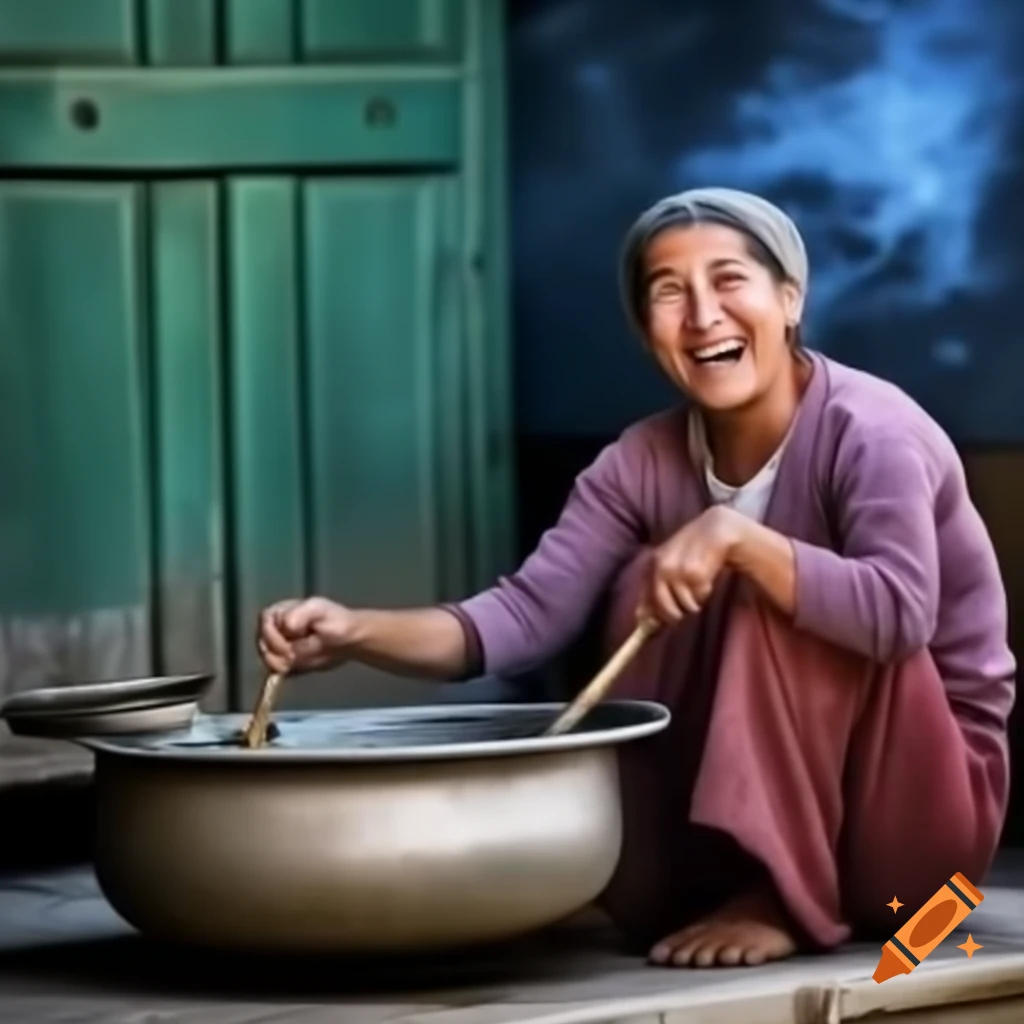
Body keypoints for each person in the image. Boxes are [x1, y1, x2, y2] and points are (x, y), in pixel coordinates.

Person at [257, 187, 1015, 969]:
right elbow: (525, 617)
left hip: (919, 850)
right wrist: (356, 633)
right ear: (644, 329)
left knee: (760, 584)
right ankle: (689, 870)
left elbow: (899, 614)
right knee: (647, 581)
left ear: (790, 299)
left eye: (729, 280)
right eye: (668, 292)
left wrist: (738, 538)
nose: (703, 316)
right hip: (737, 844)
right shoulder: (639, 462)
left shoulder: (872, 431)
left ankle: (780, 894)